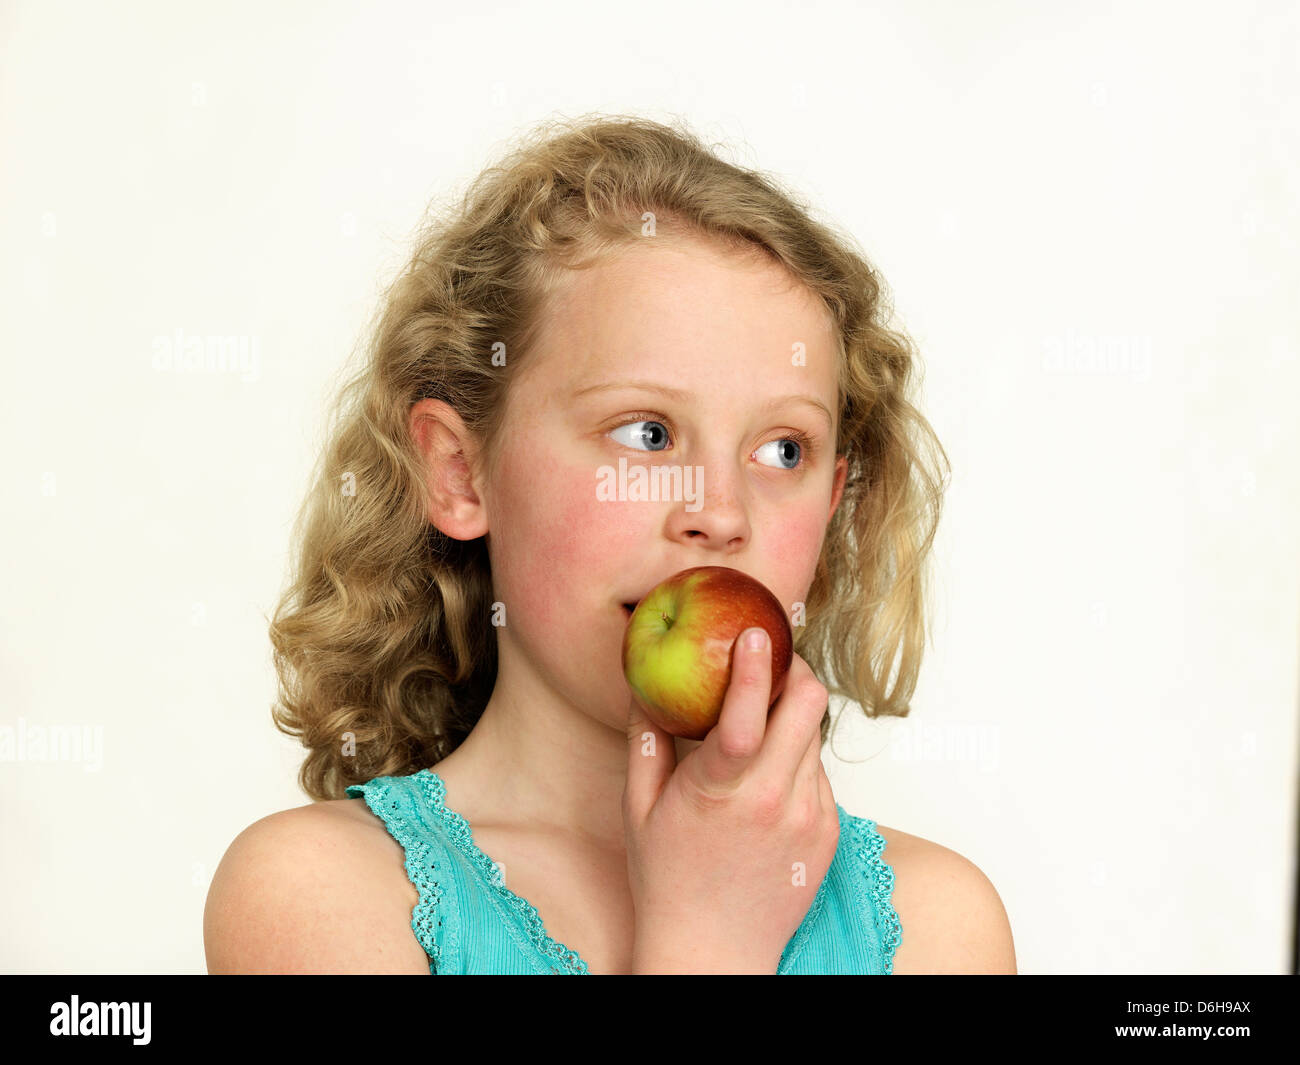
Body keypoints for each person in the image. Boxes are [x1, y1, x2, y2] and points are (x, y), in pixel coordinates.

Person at [203, 114, 1016, 975]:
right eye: (648, 435)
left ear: (835, 502)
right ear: (460, 472)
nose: (719, 513)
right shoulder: (324, 895)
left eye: (783, 450)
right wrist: (707, 939)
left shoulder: (941, 927)